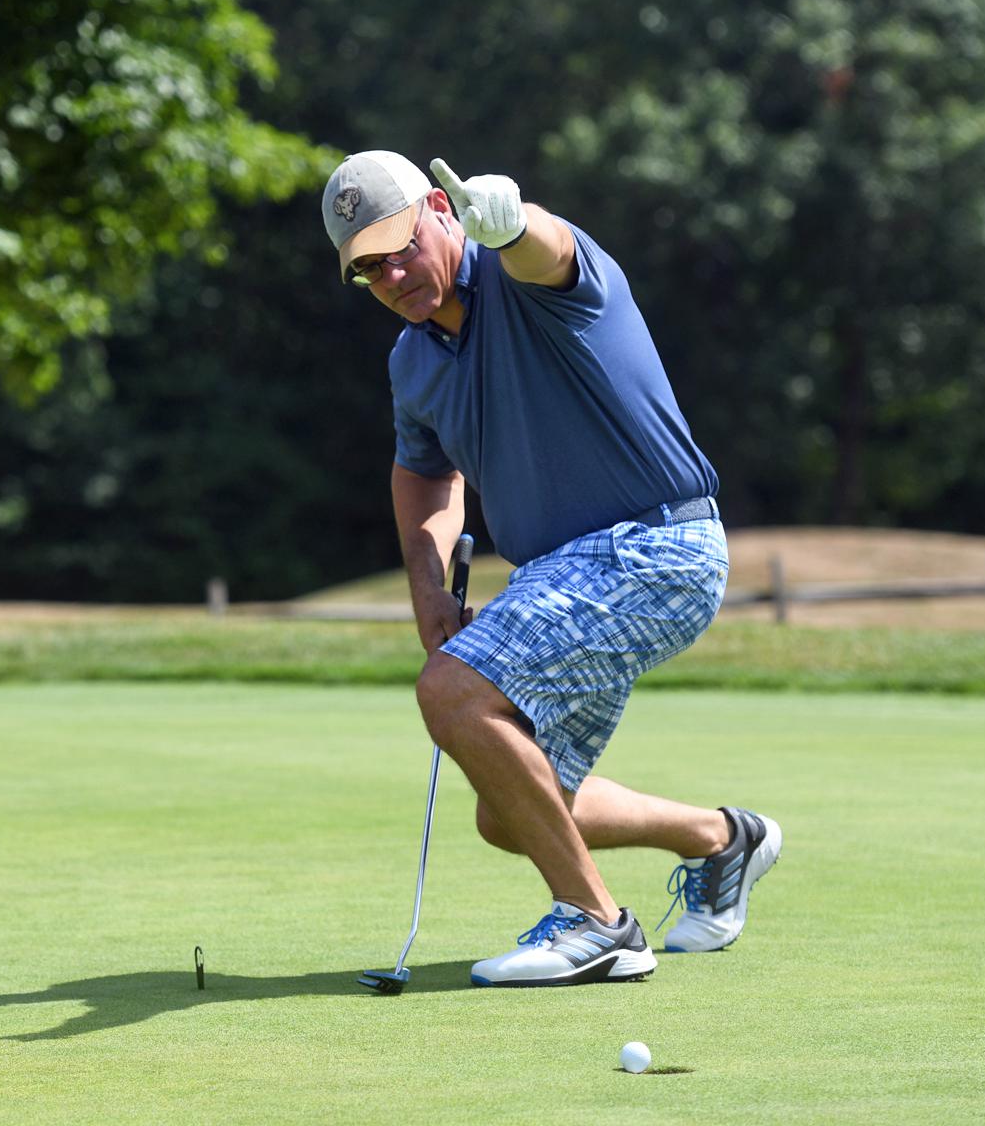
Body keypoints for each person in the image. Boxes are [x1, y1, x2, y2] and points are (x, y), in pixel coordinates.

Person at [321, 150, 782, 987]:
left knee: (452, 691)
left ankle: (599, 923)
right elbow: (424, 472)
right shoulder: (411, 361)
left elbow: (550, 251)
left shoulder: (525, 278)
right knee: (509, 813)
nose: (392, 273)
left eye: (400, 246)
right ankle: (722, 839)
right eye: (369, 269)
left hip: (657, 546)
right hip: (559, 574)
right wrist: (428, 588)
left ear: (440, 209)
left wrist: (511, 219)